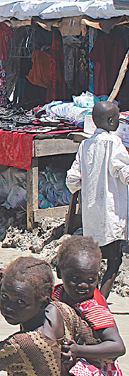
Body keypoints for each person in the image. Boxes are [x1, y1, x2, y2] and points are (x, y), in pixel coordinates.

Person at [50, 236, 125, 376]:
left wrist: (78, 350)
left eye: (91, 280)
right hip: (68, 359)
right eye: (75, 278)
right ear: (59, 273)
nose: (83, 285)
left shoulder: (93, 308)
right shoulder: (56, 294)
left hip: (95, 365)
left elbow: (118, 347)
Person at [66, 100, 129, 300]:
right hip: (110, 212)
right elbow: (122, 170)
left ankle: (87, 297)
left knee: (96, 258)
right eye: (117, 119)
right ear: (111, 121)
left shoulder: (85, 145)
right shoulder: (114, 143)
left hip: (91, 214)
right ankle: (99, 302)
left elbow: (72, 179)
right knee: (115, 260)